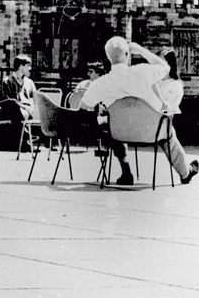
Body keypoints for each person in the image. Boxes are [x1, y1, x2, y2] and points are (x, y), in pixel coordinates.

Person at [80, 36, 198, 186]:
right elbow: (165, 67)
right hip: (151, 131)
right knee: (168, 132)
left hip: (119, 133)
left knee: (109, 123)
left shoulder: (100, 83)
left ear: (108, 58)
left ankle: (126, 171)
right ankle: (185, 173)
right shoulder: (142, 71)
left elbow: (83, 106)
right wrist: (140, 49)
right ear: (127, 55)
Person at [0, 55, 36, 152]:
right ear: (21, 66)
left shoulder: (30, 82)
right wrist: (24, 107)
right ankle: (27, 139)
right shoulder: (7, 81)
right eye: (28, 65)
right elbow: (8, 100)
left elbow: (33, 99)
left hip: (28, 111)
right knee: (15, 109)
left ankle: (29, 139)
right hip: (15, 110)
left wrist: (31, 108)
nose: (30, 68)